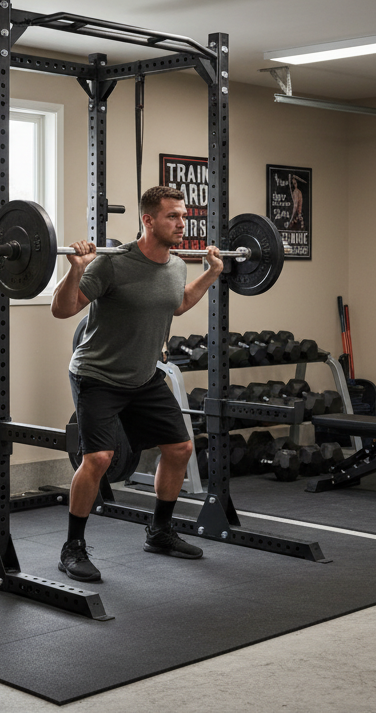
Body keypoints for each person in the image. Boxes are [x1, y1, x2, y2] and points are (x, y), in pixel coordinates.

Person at [50, 185, 223, 582]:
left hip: (144, 376)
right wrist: (76, 267)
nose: (182, 223)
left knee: (180, 448)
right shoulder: (112, 264)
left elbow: (177, 302)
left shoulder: (177, 265)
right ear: (148, 220)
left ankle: (160, 531)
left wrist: (211, 274)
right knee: (98, 459)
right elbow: (63, 310)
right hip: (98, 375)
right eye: (172, 217)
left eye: (184, 216)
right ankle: (72, 547)